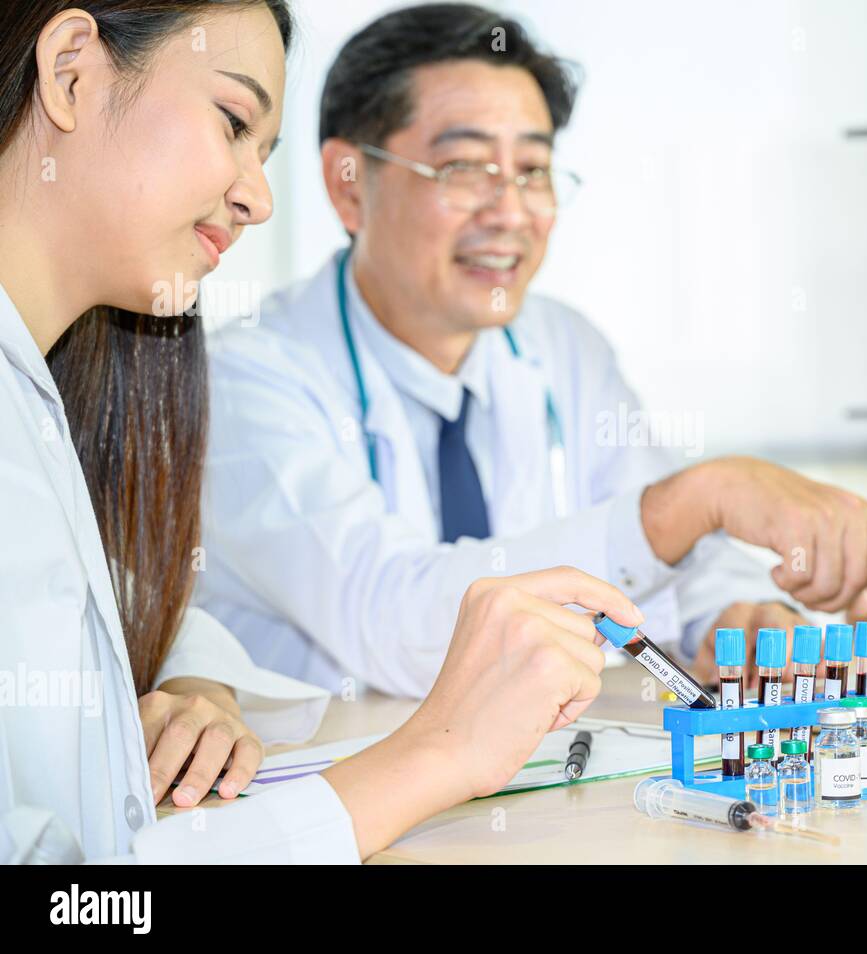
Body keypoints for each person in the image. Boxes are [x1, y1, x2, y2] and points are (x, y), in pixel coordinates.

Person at [0, 0, 642, 864]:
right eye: (232, 122)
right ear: (71, 69)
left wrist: (193, 678)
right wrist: (436, 757)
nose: (257, 198)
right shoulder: (250, 370)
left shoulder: (49, 396)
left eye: (533, 171)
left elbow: (102, 585)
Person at [197, 2, 867, 697]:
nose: (510, 211)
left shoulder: (561, 345)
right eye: (465, 167)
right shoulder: (245, 380)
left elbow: (672, 558)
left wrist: (734, 613)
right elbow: (393, 617)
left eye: (533, 170)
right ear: (349, 183)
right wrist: (699, 497)